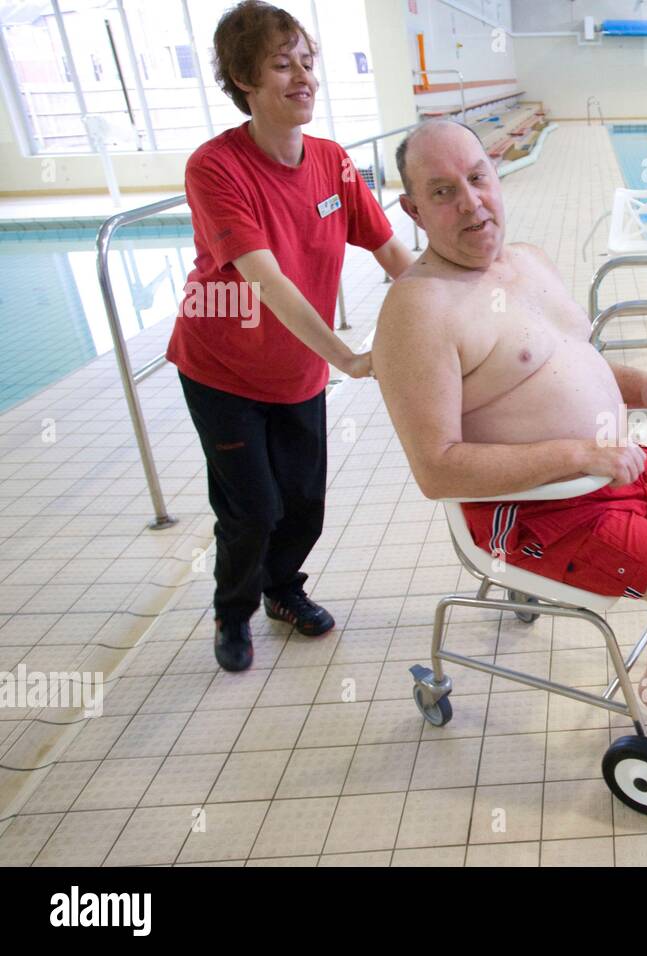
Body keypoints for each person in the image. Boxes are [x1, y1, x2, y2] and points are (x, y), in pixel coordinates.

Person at [373, 121, 647, 748]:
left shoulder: (528, 261)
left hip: (598, 472)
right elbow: (436, 471)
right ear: (412, 210)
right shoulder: (419, 311)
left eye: (477, 177)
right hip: (535, 511)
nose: (471, 201)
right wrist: (577, 453)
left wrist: (633, 384)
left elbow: (563, 356)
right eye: (441, 192)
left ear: (497, 174)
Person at [167, 1, 414, 672]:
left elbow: (396, 257)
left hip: (297, 372)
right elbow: (268, 282)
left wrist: (459, 315)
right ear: (244, 79)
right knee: (252, 508)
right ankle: (233, 613)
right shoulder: (215, 168)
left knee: (303, 503)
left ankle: (282, 590)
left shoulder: (333, 163)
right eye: (282, 65)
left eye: (307, 62)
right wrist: (349, 357)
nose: (302, 77)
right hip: (221, 367)